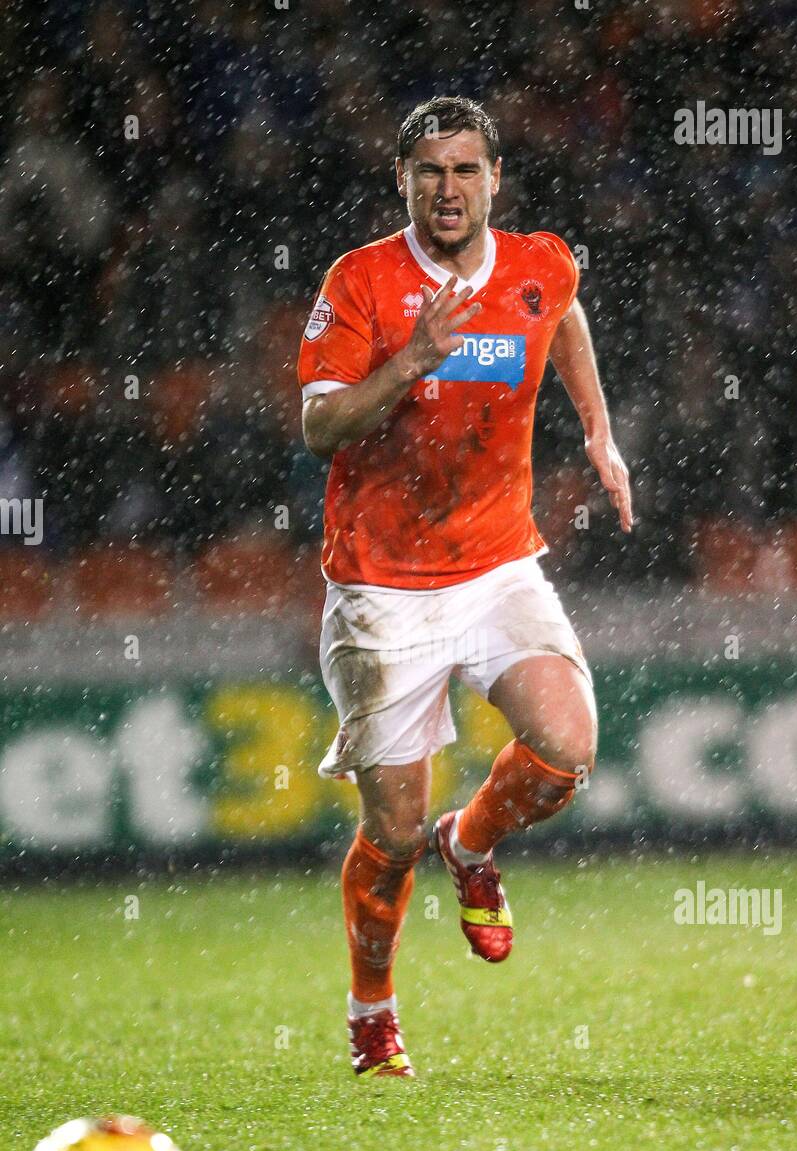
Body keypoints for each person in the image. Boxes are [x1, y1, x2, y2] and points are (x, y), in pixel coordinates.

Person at [298, 96, 632, 1078]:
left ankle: (473, 843)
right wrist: (410, 361)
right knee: (390, 833)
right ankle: (372, 1013)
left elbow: (561, 312)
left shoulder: (537, 262)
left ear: (495, 178)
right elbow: (320, 427)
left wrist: (597, 432)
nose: (448, 190)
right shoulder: (359, 283)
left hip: (493, 563)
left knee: (566, 748)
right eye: (428, 172)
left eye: (465, 170)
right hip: (381, 586)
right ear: (399, 179)